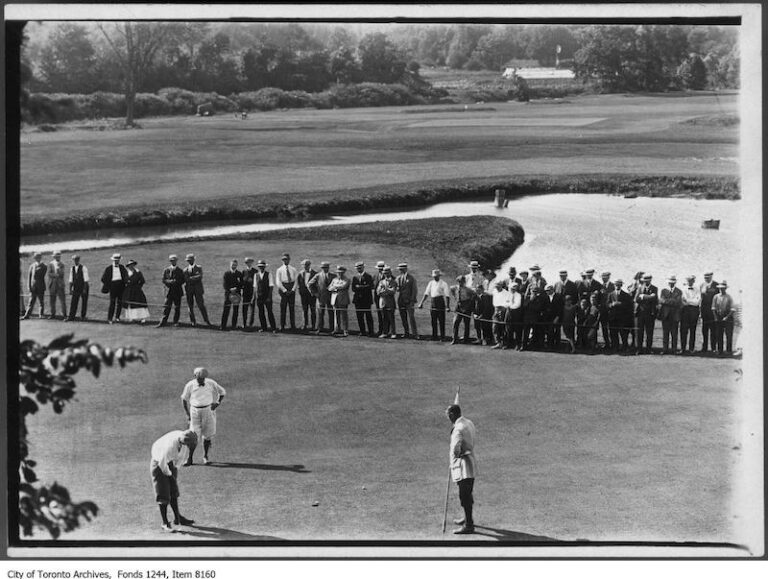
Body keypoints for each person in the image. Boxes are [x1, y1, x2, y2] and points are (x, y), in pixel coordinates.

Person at [150, 429, 197, 532]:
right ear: (184, 442)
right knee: (163, 493)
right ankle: (165, 523)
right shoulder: (170, 447)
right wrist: (170, 475)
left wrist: (175, 470)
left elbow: (180, 459)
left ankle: (178, 519)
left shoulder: (184, 439)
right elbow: (162, 464)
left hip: (169, 461)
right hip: (158, 463)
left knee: (173, 491)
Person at [181, 367, 226, 466]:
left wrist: (217, 403)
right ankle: (190, 458)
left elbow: (222, 392)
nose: (202, 379)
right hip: (195, 411)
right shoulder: (190, 385)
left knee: (208, 434)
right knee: (193, 436)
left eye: (203, 378)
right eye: (200, 377)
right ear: (195, 376)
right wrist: (187, 414)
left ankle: (205, 456)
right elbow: (184, 399)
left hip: (208, 410)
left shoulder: (210, 383)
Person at [446, 404, 477, 535]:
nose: (448, 419)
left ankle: (469, 525)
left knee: (464, 496)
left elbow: (456, 448)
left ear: (453, 415)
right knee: (467, 494)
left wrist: (455, 457)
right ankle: (467, 518)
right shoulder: (468, 422)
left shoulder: (458, 429)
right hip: (471, 462)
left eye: (449, 416)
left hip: (463, 467)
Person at [419, 269, 451, 341]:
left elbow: (447, 296)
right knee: (433, 320)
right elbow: (426, 293)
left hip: (440, 301)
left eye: (436, 276)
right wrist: (421, 303)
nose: (435, 277)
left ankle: (442, 336)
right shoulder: (431, 283)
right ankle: (434, 336)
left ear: (439, 276)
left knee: (441, 320)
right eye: (434, 276)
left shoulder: (443, 283)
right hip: (433, 301)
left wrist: (448, 306)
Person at [183, 254, 212, 327]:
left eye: (191, 260)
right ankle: (193, 321)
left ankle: (206, 320)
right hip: (189, 290)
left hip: (198, 290)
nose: (190, 261)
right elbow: (186, 279)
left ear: (194, 260)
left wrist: (191, 278)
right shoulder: (185, 270)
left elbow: (200, 277)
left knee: (201, 305)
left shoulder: (199, 267)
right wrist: (194, 278)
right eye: (188, 260)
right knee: (190, 306)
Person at [156, 255, 185, 328]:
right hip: (169, 292)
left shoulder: (180, 270)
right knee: (166, 307)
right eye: (171, 260)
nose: (173, 261)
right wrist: (169, 282)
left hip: (177, 292)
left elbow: (183, 280)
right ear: (170, 261)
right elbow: (163, 280)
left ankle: (175, 322)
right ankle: (162, 322)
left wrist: (176, 282)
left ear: (176, 261)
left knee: (177, 308)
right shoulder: (166, 270)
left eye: (174, 260)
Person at [101, 253, 128, 324]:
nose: (117, 261)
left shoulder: (122, 267)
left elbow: (126, 276)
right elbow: (103, 279)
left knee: (120, 303)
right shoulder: (108, 268)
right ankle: (110, 318)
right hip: (112, 286)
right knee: (112, 303)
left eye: (118, 260)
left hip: (121, 286)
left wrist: (125, 283)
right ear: (113, 260)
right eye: (115, 260)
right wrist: (109, 286)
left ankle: (117, 317)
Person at [308, 261, 335, 334]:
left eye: (326, 268)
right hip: (321, 297)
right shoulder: (318, 275)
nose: (324, 269)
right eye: (323, 268)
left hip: (331, 297)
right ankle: (320, 328)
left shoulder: (333, 275)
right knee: (320, 314)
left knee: (331, 313)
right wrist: (315, 293)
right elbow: (310, 284)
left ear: (328, 268)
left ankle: (332, 329)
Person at [634, 273, 658, 354]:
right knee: (639, 332)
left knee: (649, 333)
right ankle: (639, 349)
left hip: (650, 314)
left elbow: (654, 298)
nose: (645, 282)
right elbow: (636, 299)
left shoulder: (654, 288)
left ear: (650, 280)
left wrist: (643, 296)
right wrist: (648, 296)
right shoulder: (640, 288)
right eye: (644, 281)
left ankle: (649, 349)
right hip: (640, 313)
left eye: (647, 281)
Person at [658, 275, 683, 354]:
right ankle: (665, 349)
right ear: (667, 282)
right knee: (665, 334)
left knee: (674, 334)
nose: (671, 284)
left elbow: (677, 302)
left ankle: (674, 349)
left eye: (672, 282)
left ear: (675, 283)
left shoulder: (679, 291)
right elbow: (661, 300)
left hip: (675, 315)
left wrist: (667, 301)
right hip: (665, 315)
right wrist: (671, 301)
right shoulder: (663, 290)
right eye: (669, 282)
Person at [607, 279, 633, 351]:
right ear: (614, 285)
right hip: (613, 317)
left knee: (623, 333)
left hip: (622, 318)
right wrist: (612, 304)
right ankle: (615, 347)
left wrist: (621, 304)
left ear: (621, 285)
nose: (617, 286)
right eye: (616, 285)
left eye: (619, 285)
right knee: (613, 333)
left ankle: (624, 347)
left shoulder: (626, 295)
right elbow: (607, 304)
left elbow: (629, 306)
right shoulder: (611, 294)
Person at [275, 253, 298, 331]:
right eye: (284, 259)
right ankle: (282, 325)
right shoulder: (279, 270)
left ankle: (293, 325)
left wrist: (292, 290)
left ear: (289, 260)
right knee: (283, 308)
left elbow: (296, 281)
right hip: (283, 289)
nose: (285, 261)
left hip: (291, 288)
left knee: (292, 308)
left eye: (287, 259)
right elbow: (278, 282)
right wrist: (284, 290)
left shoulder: (293, 269)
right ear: (282, 260)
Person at [396, 263, 419, 339]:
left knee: (411, 317)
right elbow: (396, 288)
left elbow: (414, 290)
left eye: (401, 269)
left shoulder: (411, 278)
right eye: (400, 269)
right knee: (403, 317)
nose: (400, 271)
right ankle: (406, 332)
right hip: (401, 301)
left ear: (405, 269)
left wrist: (412, 301)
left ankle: (415, 334)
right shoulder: (398, 278)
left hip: (409, 301)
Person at [451, 276, 477, 345]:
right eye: (459, 281)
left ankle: (466, 339)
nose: (460, 283)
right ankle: (454, 339)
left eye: (462, 282)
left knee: (466, 323)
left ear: (464, 282)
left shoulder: (468, 289)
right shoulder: (454, 288)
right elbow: (453, 292)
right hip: (458, 307)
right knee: (455, 323)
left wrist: (469, 303)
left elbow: (474, 295)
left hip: (466, 307)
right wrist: (456, 298)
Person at [351, 262, 375, 336]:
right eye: (358, 268)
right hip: (358, 300)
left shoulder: (368, 276)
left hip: (366, 300)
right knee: (359, 317)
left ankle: (371, 331)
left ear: (363, 268)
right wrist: (360, 287)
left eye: (360, 268)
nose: (359, 269)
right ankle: (362, 331)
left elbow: (370, 286)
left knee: (368, 316)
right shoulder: (355, 277)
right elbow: (353, 288)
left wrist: (360, 287)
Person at [254, 259, 277, 332]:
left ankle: (273, 328)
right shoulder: (256, 275)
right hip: (259, 297)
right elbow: (255, 287)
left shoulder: (268, 274)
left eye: (262, 266)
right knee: (261, 313)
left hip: (267, 297)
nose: (261, 268)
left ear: (265, 267)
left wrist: (269, 297)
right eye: (260, 266)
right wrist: (254, 297)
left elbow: (271, 286)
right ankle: (264, 328)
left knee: (270, 312)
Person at [711, 281, 734, 355]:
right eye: (720, 288)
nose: (721, 290)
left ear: (725, 289)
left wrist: (727, 317)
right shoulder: (716, 297)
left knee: (729, 335)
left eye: (723, 288)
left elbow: (732, 309)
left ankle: (729, 350)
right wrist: (715, 317)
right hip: (719, 316)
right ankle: (720, 350)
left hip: (728, 317)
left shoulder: (729, 297)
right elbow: (713, 308)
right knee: (719, 334)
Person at [680, 275, 701, 354]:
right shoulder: (683, 289)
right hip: (685, 311)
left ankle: (691, 349)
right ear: (686, 280)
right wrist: (692, 301)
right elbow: (683, 300)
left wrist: (688, 301)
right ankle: (683, 348)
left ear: (694, 281)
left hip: (694, 311)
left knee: (693, 330)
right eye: (689, 280)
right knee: (683, 330)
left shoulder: (697, 289)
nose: (690, 281)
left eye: (691, 280)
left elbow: (697, 302)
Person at [22, 252, 47, 319]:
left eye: (38, 257)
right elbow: (29, 277)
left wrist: (39, 267)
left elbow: (42, 274)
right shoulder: (32, 266)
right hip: (33, 287)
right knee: (31, 302)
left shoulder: (44, 266)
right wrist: (29, 286)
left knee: (41, 302)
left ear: (40, 257)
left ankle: (41, 315)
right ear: (34, 258)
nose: (37, 258)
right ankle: (27, 315)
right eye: (36, 257)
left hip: (41, 286)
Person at [699, 271, 719, 353]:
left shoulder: (716, 285)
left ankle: (713, 348)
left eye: (708, 277)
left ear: (711, 276)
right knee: (704, 331)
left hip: (713, 311)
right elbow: (700, 299)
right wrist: (700, 312)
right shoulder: (702, 285)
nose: (706, 278)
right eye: (705, 277)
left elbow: (718, 298)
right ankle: (704, 348)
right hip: (704, 311)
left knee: (713, 331)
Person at [376, 265, 398, 339]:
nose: (386, 274)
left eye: (387, 273)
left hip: (390, 302)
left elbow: (393, 291)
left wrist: (385, 289)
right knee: (384, 318)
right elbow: (378, 292)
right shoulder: (381, 282)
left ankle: (393, 333)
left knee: (391, 318)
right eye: (385, 273)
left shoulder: (393, 281)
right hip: (382, 302)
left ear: (390, 273)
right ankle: (385, 332)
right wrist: (386, 290)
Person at [220, 259, 242, 331]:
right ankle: (223, 326)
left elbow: (241, 284)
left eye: (235, 265)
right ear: (230, 265)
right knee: (226, 310)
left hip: (236, 295)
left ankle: (234, 326)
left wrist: (236, 289)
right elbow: (225, 284)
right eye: (232, 265)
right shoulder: (226, 273)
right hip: (228, 295)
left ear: (237, 265)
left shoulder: (239, 274)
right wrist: (230, 289)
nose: (234, 266)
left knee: (235, 311)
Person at [329, 265, 351, 337]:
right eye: (338, 273)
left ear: (344, 272)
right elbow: (329, 288)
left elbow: (343, 286)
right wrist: (335, 287)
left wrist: (335, 287)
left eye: (341, 273)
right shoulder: (334, 279)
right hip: (335, 299)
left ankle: (345, 330)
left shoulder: (347, 279)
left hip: (343, 299)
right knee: (336, 314)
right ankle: (337, 329)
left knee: (344, 315)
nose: (340, 274)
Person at [66, 254, 89, 321]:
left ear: (79, 260)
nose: (76, 261)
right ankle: (71, 317)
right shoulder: (72, 268)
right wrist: (70, 289)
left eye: (77, 260)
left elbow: (86, 280)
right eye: (74, 260)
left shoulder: (83, 268)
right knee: (74, 302)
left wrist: (84, 289)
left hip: (83, 286)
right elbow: (71, 280)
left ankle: (83, 316)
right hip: (76, 287)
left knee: (84, 302)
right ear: (73, 260)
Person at [542, 284, 564, 350]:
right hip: (548, 318)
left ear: (552, 290)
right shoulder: (545, 297)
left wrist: (557, 317)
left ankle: (557, 346)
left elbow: (560, 309)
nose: (547, 292)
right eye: (546, 291)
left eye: (548, 290)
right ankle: (550, 345)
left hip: (557, 317)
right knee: (549, 332)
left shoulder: (558, 297)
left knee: (557, 331)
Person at [297, 259, 317, 331]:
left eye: (307, 265)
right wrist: (300, 292)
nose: (305, 266)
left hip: (312, 295)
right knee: (304, 310)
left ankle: (313, 325)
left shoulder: (315, 273)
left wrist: (314, 293)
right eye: (304, 265)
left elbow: (316, 285)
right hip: (303, 295)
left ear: (309, 265)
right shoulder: (300, 273)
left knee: (313, 310)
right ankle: (305, 324)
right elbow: (299, 284)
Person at [45, 250, 67, 319]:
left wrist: (57, 271)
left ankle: (65, 315)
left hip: (60, 285)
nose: (58, 257)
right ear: (54, 256)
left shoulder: (62, 264)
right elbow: (49, 274)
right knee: (52, 300)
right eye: (56, 256)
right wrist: (56, 275)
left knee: (62, 301)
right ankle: (52, 314)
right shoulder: (50, 264)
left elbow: (62, 274)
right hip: (52, 285)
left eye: (59, 256)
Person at [491, 280, 511, 349]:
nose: (497, 287)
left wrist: (503, 308)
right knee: (495, 327)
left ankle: (504, 343)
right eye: (496, 286)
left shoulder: (506, 293)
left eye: (498, 286)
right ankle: (498, 343)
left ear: (501, 285)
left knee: (503, 328)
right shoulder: (494, 291)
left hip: (503, 310)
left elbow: (508, 303)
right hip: (496, 309)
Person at [474, 281, 495, 346]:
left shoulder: (486, 297)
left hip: (484, 315)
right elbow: (473, 306)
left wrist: (482, 315)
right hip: (476, 315)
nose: (477, 290)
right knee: (477, 327)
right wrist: (474, 314)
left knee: (484, 328)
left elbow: (487, 307)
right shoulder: (475, 297)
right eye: (476, 289)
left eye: (479, 289)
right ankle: (479, 338)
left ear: (482, 290)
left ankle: (485, 339)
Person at [598, 271, 615, 349]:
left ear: (608, 277)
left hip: (610, 311)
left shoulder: (613, 286)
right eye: (602, 277)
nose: (603, 278)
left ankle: (613, 344)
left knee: (612, 328)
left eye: (605, 277)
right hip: (603, 311)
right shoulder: (600, 286)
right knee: (604, 328)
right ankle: (607, 343)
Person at [505, 281, 524, 350]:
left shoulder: (518, 295)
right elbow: (505, 303)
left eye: (514, 289)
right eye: (511, 288)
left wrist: (510, 304)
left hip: (516, 314)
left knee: (517, 330)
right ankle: (509, 344)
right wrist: (509, 304)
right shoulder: (508, 295)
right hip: (509, 313)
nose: (512, 290)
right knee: (508, 329)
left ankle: (518, 344)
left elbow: (517, 305)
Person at [241, 257, 257, 329]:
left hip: (252, 293)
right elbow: (241, 283)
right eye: (247, 262)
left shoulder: (255, 272)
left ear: (252, 263)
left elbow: (256, 284)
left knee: (252, 310)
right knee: (244, 309)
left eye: (250, 262)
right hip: (245, 293)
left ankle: (250, 324)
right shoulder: (243, 271)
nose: (248, 263)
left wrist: (254, 295)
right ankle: (244, 324)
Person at [371, 261, 386, 336]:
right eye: (379, 269)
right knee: (379, 314)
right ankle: (380, 330)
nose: (381, 270)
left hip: (385, 298)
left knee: (385, 314)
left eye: (382, 268)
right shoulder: (375, 276)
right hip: (377, 297)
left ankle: (386, 331)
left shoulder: (388, 275)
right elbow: (372, 285)